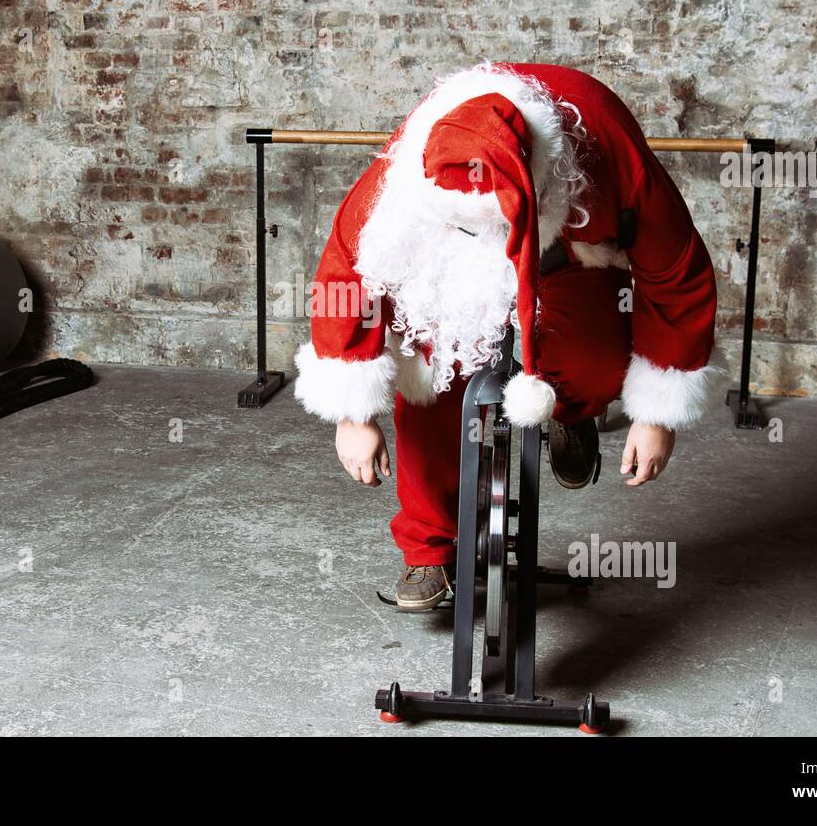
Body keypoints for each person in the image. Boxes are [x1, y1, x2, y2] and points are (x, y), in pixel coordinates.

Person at [293, 62, 725, 609]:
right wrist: (353, 415)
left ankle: (572, 412)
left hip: (567, 243)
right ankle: (429, 549)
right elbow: (345, 277)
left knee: (587, 361)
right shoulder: (400, 178)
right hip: (448, 251)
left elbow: (675, 273)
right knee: (433, 378)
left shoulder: (609, 156)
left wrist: (657, 413)